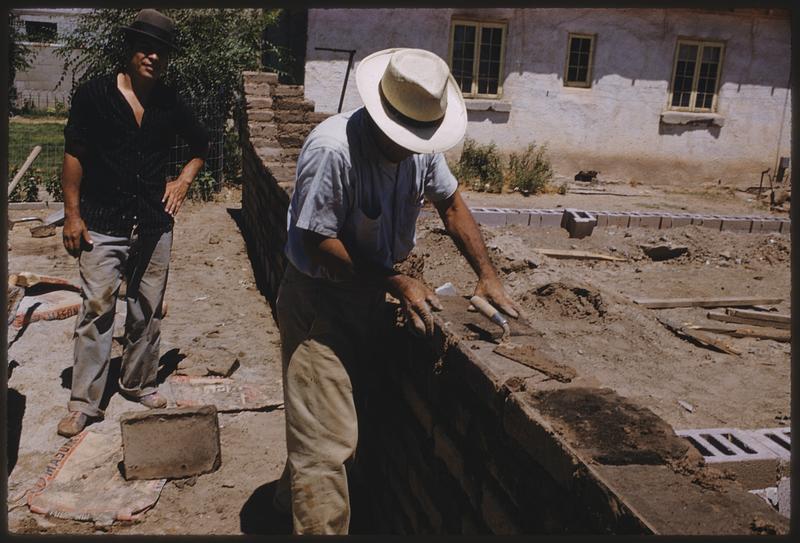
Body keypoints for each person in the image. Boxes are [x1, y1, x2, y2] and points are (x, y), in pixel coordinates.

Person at [274, 47, 521, 534]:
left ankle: (286, 508)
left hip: (366, 296)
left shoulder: (421, 147)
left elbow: (451, 205)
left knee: (329, 423)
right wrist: (397, 281)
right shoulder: (334, 150)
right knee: (326, 444)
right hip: (318, 303)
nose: (413, 147)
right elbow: (318, 242)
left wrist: (487, 272)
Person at [57, 9, 209, 438]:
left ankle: (138, 382)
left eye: (161, 51)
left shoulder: (169, 102)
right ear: (129, 49)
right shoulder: (94, 95)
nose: (153, 57)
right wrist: (72, 215)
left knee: (147, 309)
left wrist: (183, 180)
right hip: (102, 222)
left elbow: (201, 144)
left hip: (153, 224)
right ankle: (84, 402)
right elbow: (74, 156)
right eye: (145, 48)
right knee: (96, 309)